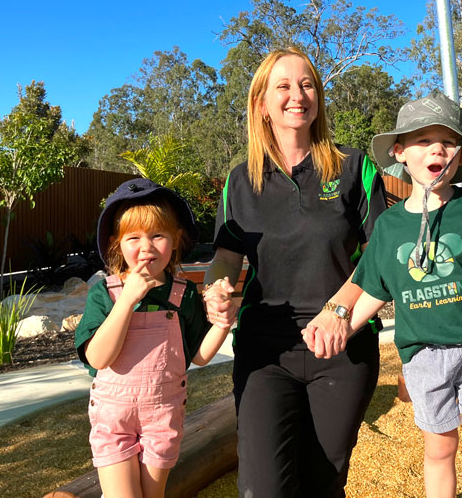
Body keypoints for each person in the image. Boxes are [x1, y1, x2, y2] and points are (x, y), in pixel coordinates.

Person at [203, 46, 387, 497]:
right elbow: (226, 257)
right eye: (283, 86)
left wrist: (339, 311)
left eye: (307, 85)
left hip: (343, 347)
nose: (297, 95)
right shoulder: (240, 181)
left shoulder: (354, 167)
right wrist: (216, 288)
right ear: (262, 104)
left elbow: (382, 255)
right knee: (263, 488)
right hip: (265, 352)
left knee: (322, 484)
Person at [345, 93, 462, 497]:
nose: (437, 149)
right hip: (423, 356)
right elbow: (375, 290)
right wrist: (340, 329)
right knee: (439, 451)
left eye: (449, 142)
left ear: (460, 155)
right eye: (423, 140)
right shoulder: (389, 225)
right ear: (400, 152)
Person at [74, 178, 234, 498]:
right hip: (114, 419)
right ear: (117, 244)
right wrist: (127, 300)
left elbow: (199, 356)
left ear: (176, 240)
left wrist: (222, 323)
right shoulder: (105, 294)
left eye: (158, 235)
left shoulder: (183, 294)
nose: (146, 247)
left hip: (163, 416)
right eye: (134, 237)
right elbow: (98, 358)